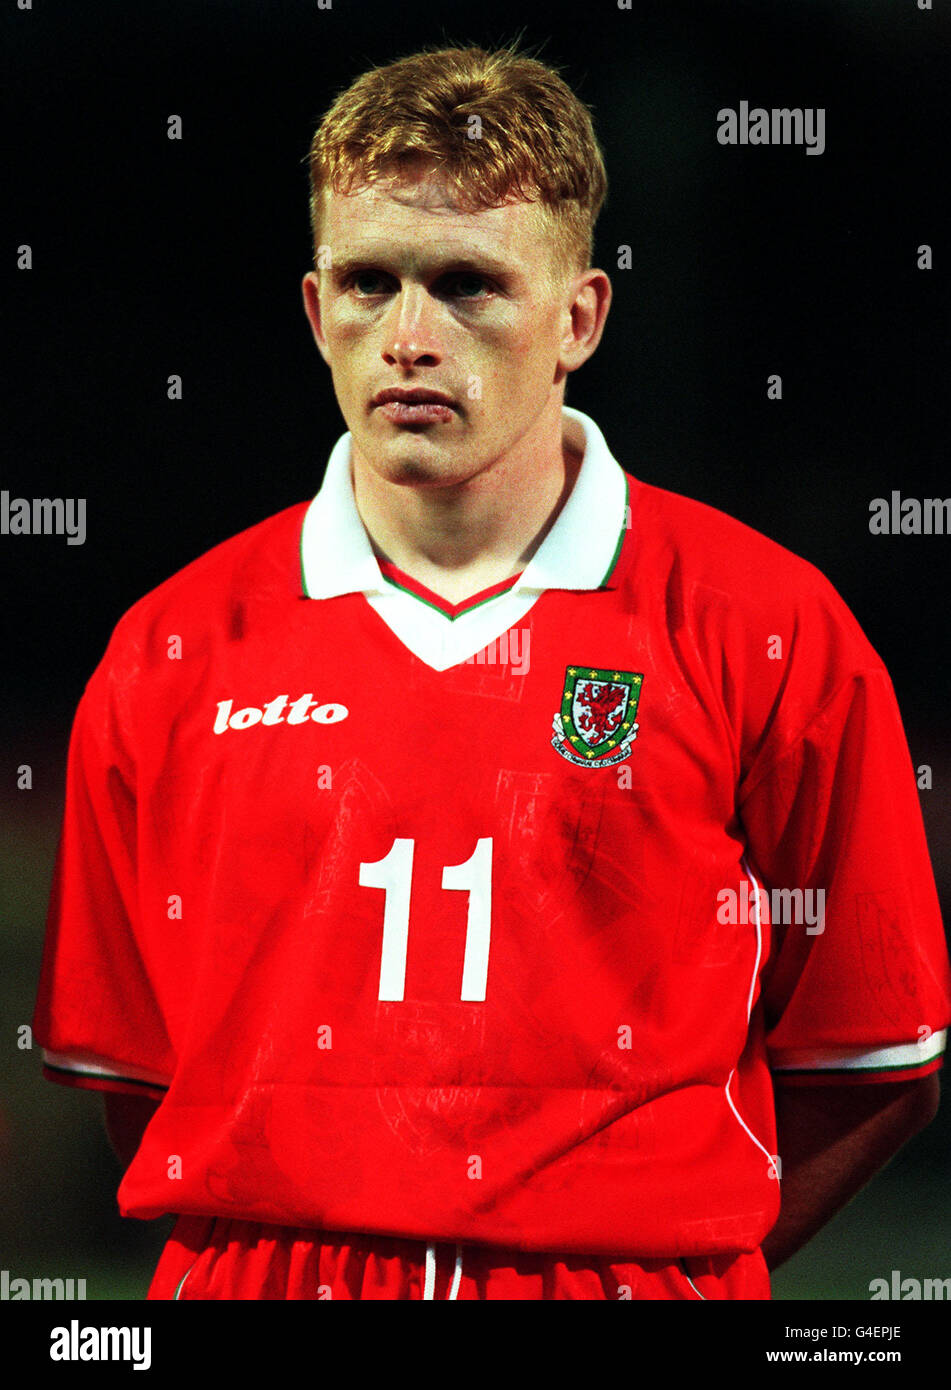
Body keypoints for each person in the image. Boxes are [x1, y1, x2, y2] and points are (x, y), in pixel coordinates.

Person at [33, 43, 950, 1301]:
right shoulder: (172, 649)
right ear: (314, 310)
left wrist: (652, 1256)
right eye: (368, 283)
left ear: (578, 317)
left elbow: (868, 1061)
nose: (407, 336)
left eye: (466, 285)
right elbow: (137, 1083)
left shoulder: (766, 625)